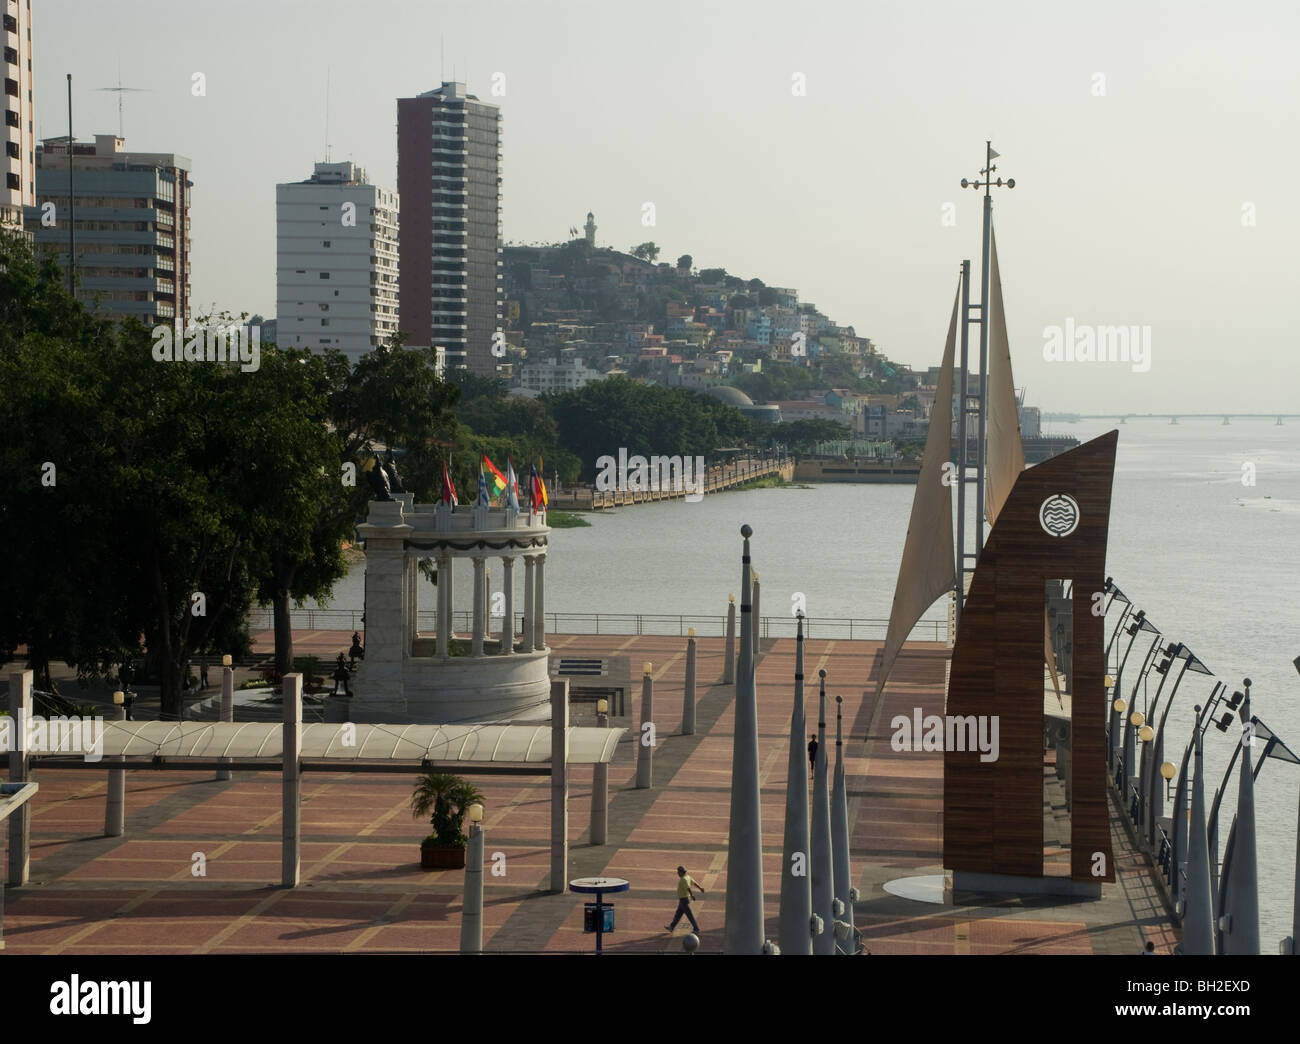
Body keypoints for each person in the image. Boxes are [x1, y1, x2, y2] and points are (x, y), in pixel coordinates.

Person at [665, 865, 704, 933]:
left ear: (681, 872)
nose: (677, 873)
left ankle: (696, 929)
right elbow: (694, 883)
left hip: (684, 900)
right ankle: (671, 927)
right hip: (683, 900)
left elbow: (688, 888)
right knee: (678, 914)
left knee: (689, 915)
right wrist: (700, 888)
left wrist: (692, 895)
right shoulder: (688, 877)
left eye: (678, 872)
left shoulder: (684, 879)